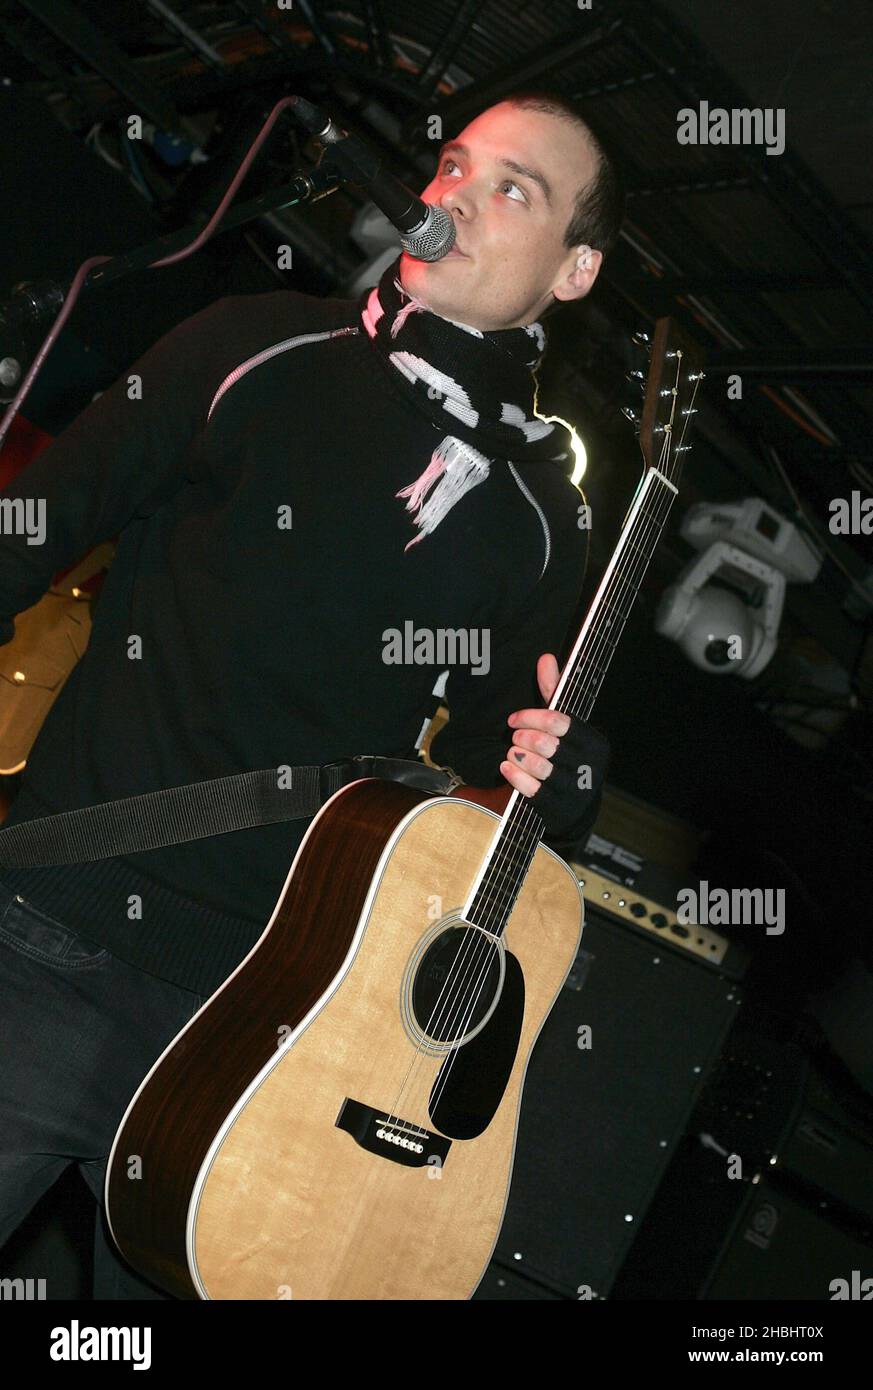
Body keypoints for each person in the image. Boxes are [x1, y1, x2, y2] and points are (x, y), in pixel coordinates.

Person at [0, 89, 623, 1298]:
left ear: (577, 270)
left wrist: (572, 775)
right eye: (453, 164)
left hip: (264, 1029)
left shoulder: (549, 518)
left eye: (514, 190)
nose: (451, 194)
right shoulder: (255, 340)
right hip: (49, 942)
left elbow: (518, 780)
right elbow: (32, 530)